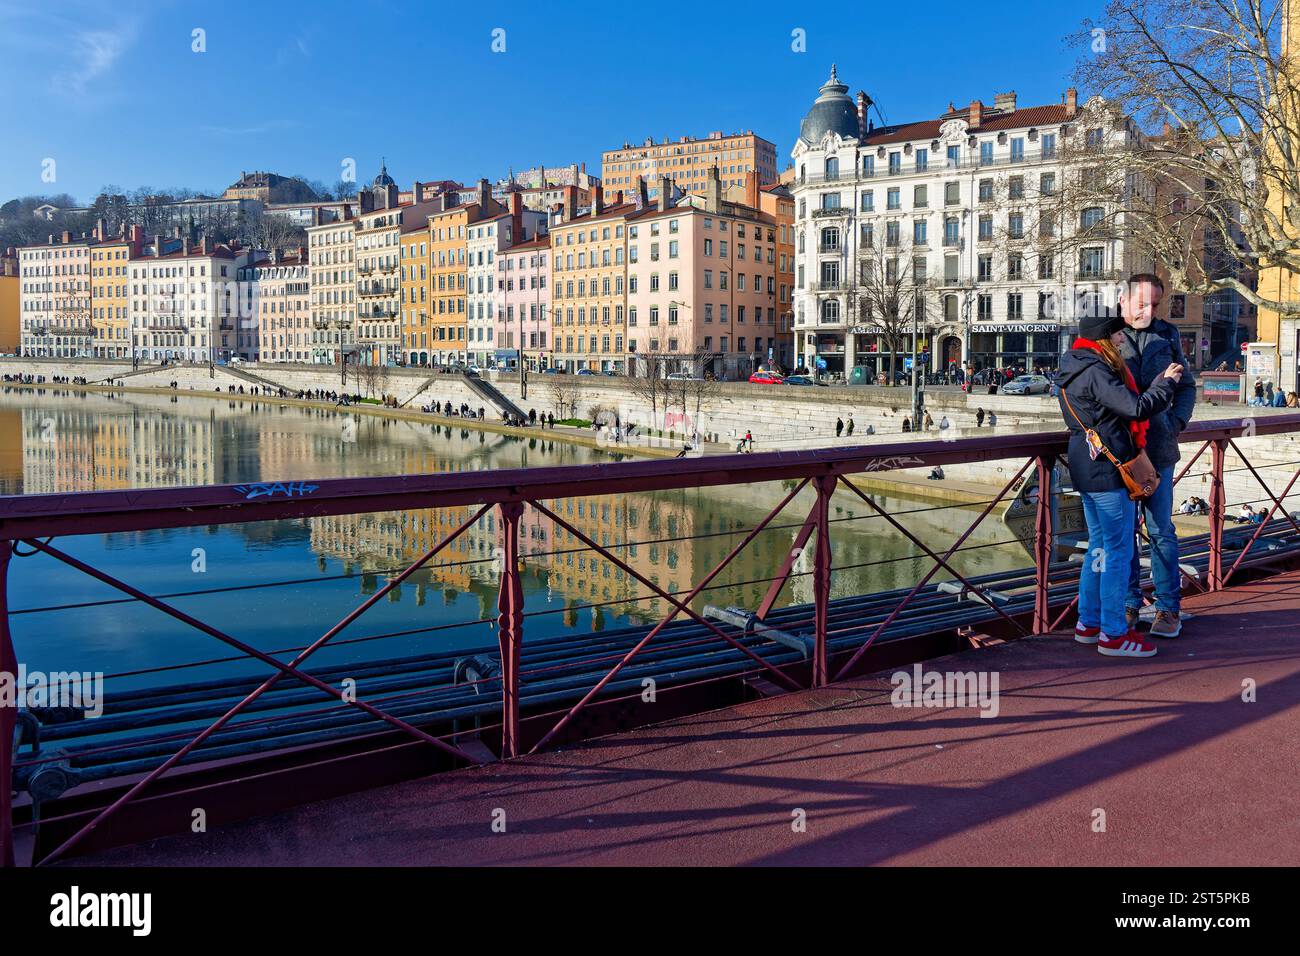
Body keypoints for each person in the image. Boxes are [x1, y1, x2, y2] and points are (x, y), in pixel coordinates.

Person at [1057, 309, 1182, 658]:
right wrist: (1165, 382)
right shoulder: (1096, 371)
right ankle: (1113, 635)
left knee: (1097, 548)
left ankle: (1088, 622)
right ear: (1104, 340)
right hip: (1109, 474)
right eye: (1117, 335)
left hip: (1085, 467)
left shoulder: (1072, 368)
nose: (1122, 339)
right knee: (1117, 552)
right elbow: (1136, 407)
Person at [1116, 274, 1196, 638]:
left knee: (1161, 530)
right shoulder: (1106, 334)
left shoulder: (1168, 334)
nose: (1148, 310)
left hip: (1160, 448)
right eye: (1142, 303)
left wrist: (1176, 421)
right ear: (1124, 299)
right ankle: (1130, 604)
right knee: (1124, 532)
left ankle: (1167, 609)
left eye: (1154, 304)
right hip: (1120, 450)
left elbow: (1188, 385)